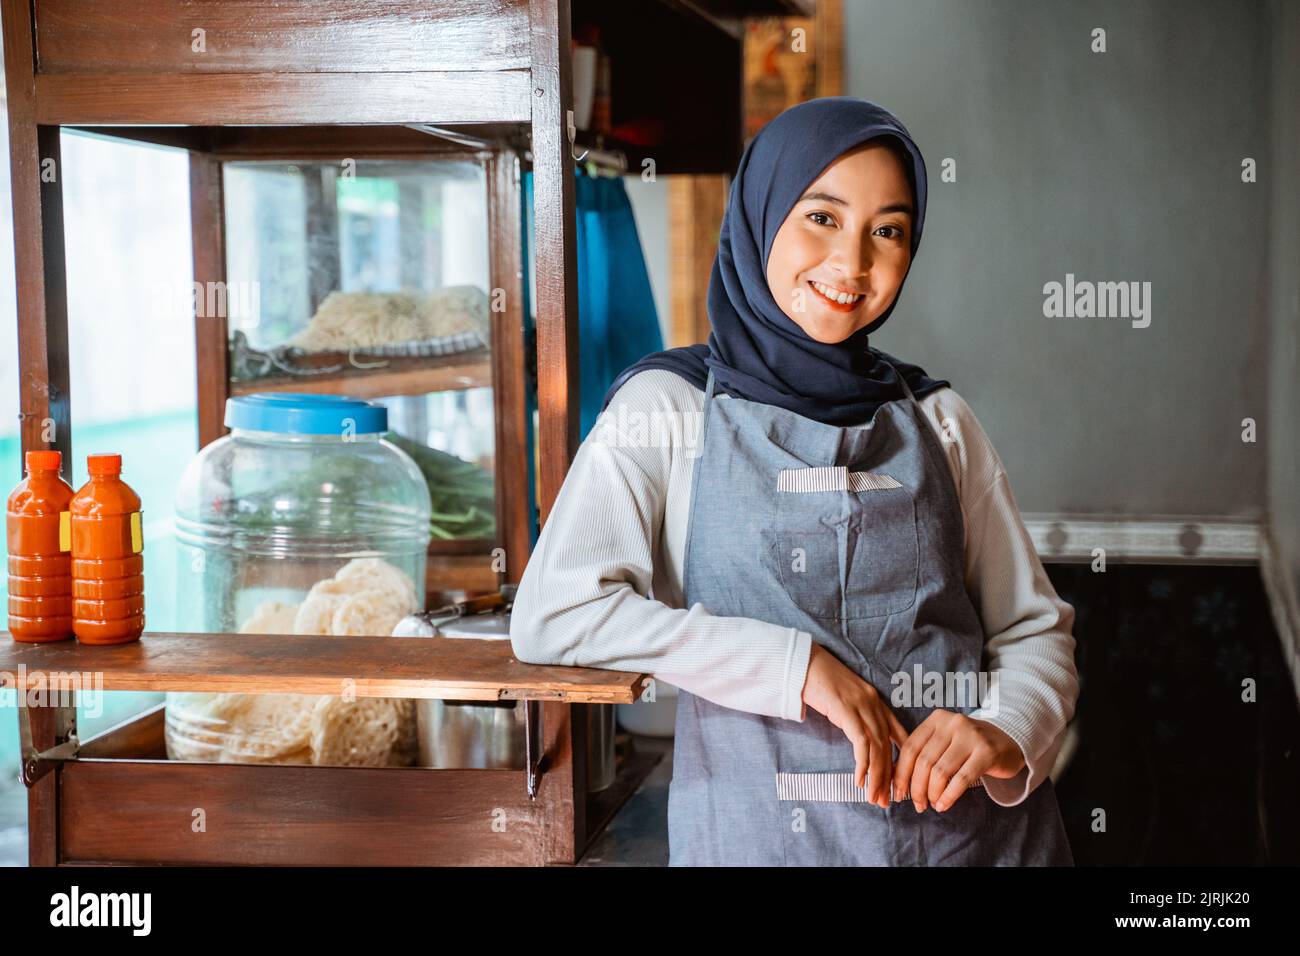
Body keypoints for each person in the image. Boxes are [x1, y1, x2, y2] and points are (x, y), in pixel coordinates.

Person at [510, 97, 1078, 866]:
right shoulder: (669, 409)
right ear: (759, 214)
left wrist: (1005, 727)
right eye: (822, 217)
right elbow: (556, 614)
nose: (852, 264)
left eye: (889, 230)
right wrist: (794, 666)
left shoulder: (940, 421)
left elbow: (1032, 630)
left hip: (974, 844)